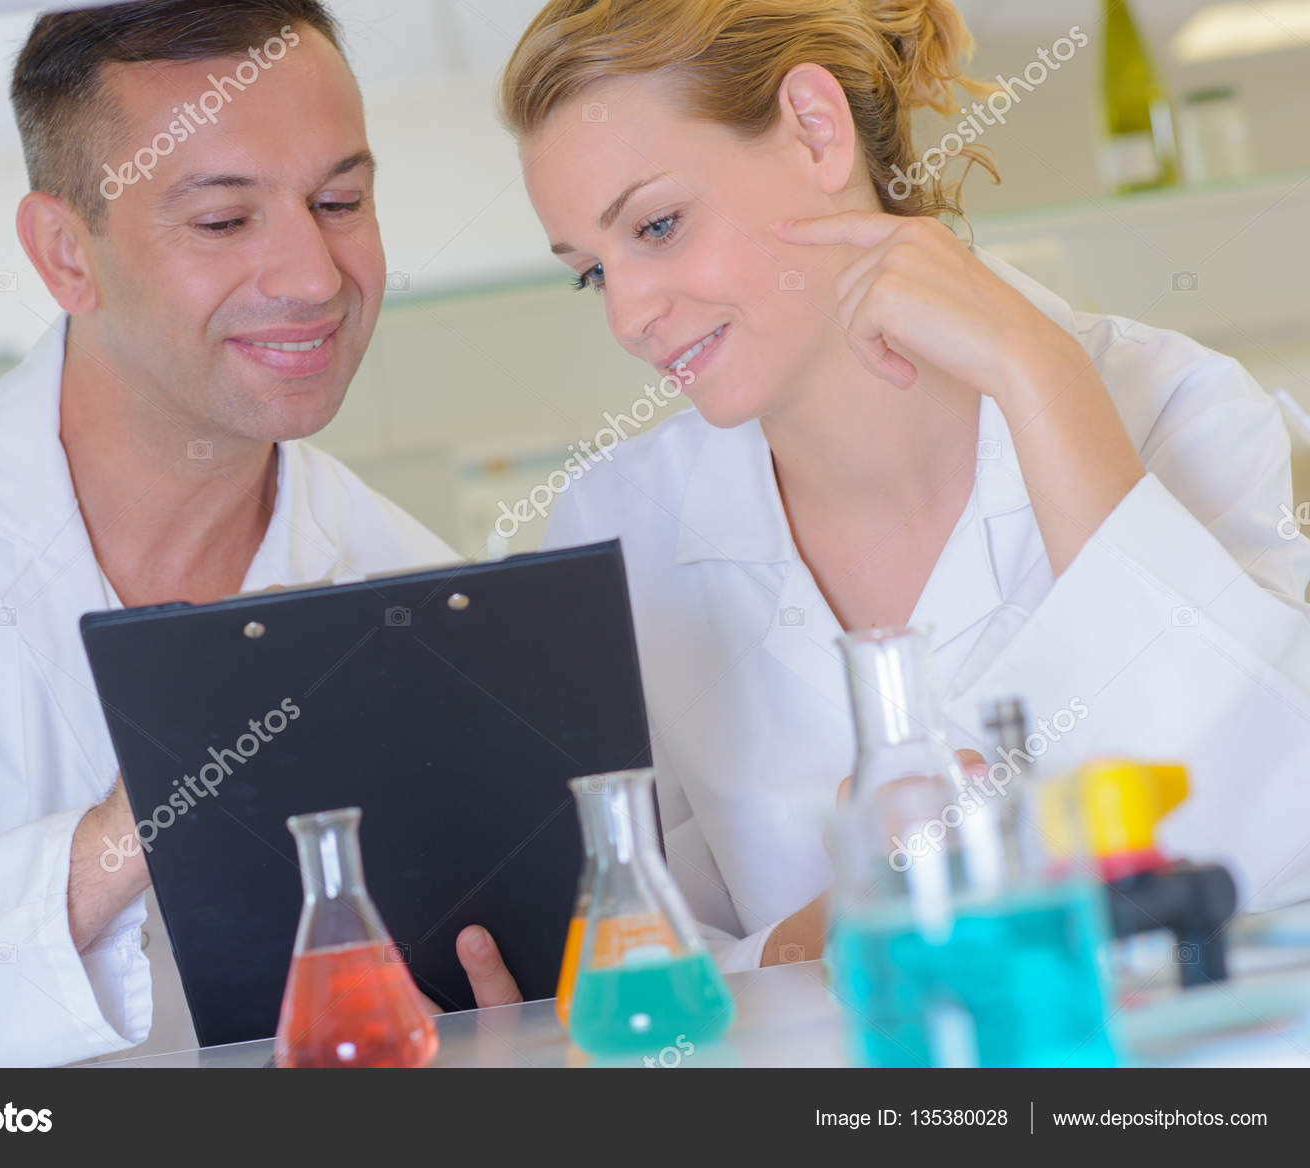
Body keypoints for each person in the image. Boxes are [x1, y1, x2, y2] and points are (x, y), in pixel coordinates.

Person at [0, 0, 520, 1067]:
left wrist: (507, 1043)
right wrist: (123, 838)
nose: (315, 277)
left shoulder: (420, 591)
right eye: (225, 221)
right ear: (65, 254)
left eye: (341, 199)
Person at [500, 0, 1310, 970]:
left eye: (658, 225)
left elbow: (1274, 852)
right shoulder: (615, 528)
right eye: (591, 272)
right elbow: (630, 958)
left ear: (814, 128)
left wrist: (1035, 370)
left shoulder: (1184, 411)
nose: (628, 313)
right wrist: (837, 921)